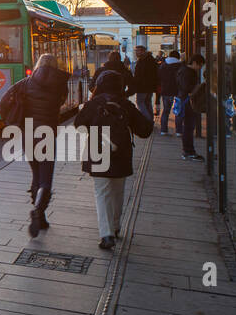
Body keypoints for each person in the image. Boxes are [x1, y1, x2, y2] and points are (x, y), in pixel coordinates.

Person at [76, 69, 153, 249]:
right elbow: (145, 130)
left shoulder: (94, 104)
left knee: (102, 194)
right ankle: (116, 226)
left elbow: (78, 125)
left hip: (98, 154)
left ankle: (106, 234)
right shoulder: (125, 104)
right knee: (118, 192)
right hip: (121, 154)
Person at [17, 53, 72, 237]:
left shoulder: (26, 83)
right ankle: (38, 211)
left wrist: (15, 119)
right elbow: (62, 101)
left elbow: (5, 101)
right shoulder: (60, 85)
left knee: (36, 175)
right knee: (45, 179)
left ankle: (40, 216)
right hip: (47, 134)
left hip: (28, 134)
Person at [176, 53, 205, 159]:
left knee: (188, 126)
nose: (200, 68)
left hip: (183, 100)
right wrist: (197, 88)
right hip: (188, 102)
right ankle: (188, 151)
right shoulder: (189, 72)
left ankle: (188, 150)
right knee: (189, 126)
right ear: (194, 63)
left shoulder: (182, 70)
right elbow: (187, 88)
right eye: (200, 65)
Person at [158, 46, 183, 135]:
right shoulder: (181, 66)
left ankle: (163, 130)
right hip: (177, 92)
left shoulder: (163, 65)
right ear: (178, 57)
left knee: (165, 111)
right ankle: (179, 131)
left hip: (165, 91)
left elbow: (159, 77)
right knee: (178, 111)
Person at [132, 45, 158, 120]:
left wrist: (135, 84)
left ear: (143, 51)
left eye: (138, 51)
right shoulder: (150, 59)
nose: (136, 52)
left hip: (142, 87)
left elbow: (140, 75)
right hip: (150, 86)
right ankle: (150, 120)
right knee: (147, 103)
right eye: (135, 51)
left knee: (140, 103)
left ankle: (147, 120)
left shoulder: (142, 61)